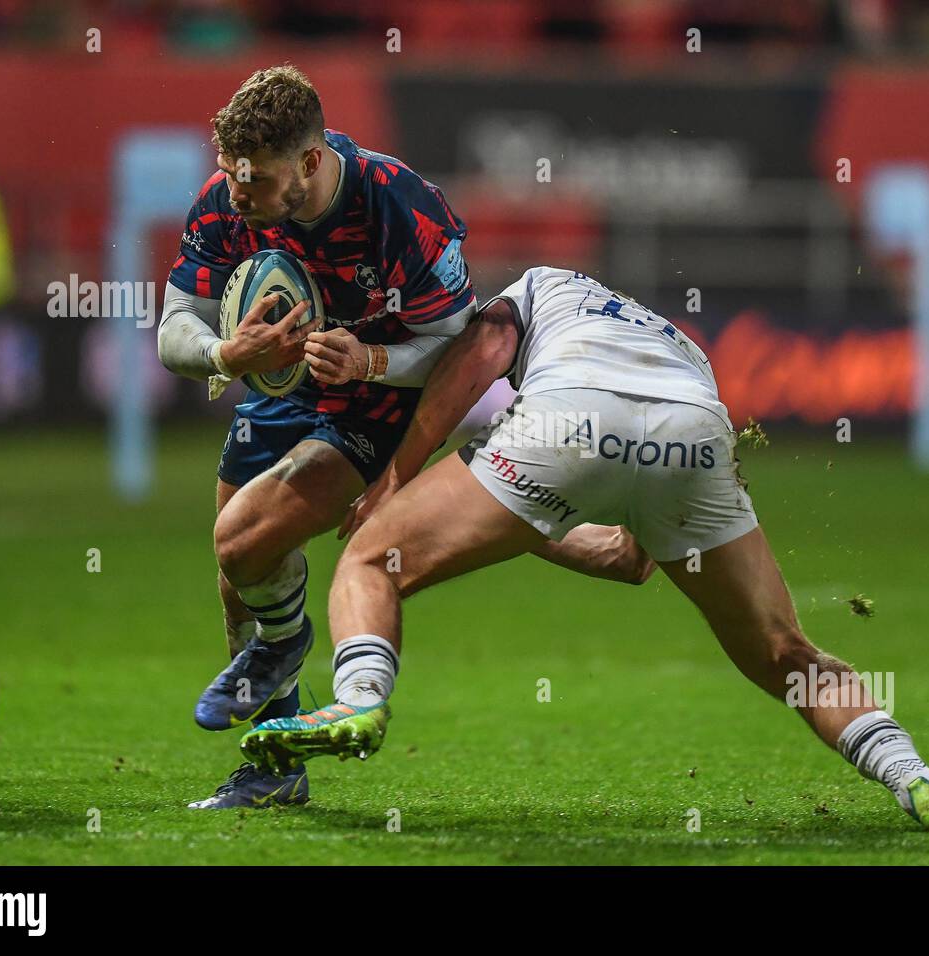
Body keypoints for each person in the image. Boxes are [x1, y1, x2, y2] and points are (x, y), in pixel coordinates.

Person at [243, 267, 929, 830]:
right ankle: (915, 777)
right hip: (696, 431)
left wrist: (400, 477)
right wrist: (520, 514)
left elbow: (482, 350)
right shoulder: (679, 344)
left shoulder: (538, 285)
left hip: (567, 418)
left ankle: (359, 703)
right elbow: (628, 556)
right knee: (786, 654)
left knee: (372, 558)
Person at [157, 70, 651, 810]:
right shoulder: (226, 199)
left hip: (381, 402)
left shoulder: (400, 207)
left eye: (252, 180)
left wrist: (369, 359)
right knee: (241, 574)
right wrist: (226, 356)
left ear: (312, 164)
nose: (236, 194)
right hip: (283, 387)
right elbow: (173, 325)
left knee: (242, 540)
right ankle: (276, 766)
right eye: (231, 174)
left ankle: (286, 660)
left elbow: (458, 351)